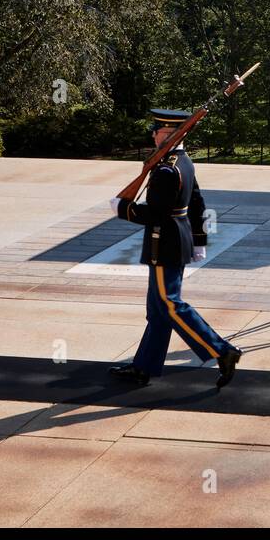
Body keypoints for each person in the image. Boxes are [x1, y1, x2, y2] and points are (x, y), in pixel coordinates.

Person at [107, 109, 242, 388]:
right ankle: (143, 366)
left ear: (164, 134)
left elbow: (155, 214)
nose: (153, 136)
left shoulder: (166, 170)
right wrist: (199, 240)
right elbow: (197, 203)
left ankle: (222, 350)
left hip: (164, 242)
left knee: (169, 304)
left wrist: (124, 210)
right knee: (158, 309)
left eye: (156, 132)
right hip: (176, 239)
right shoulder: (184, 162)